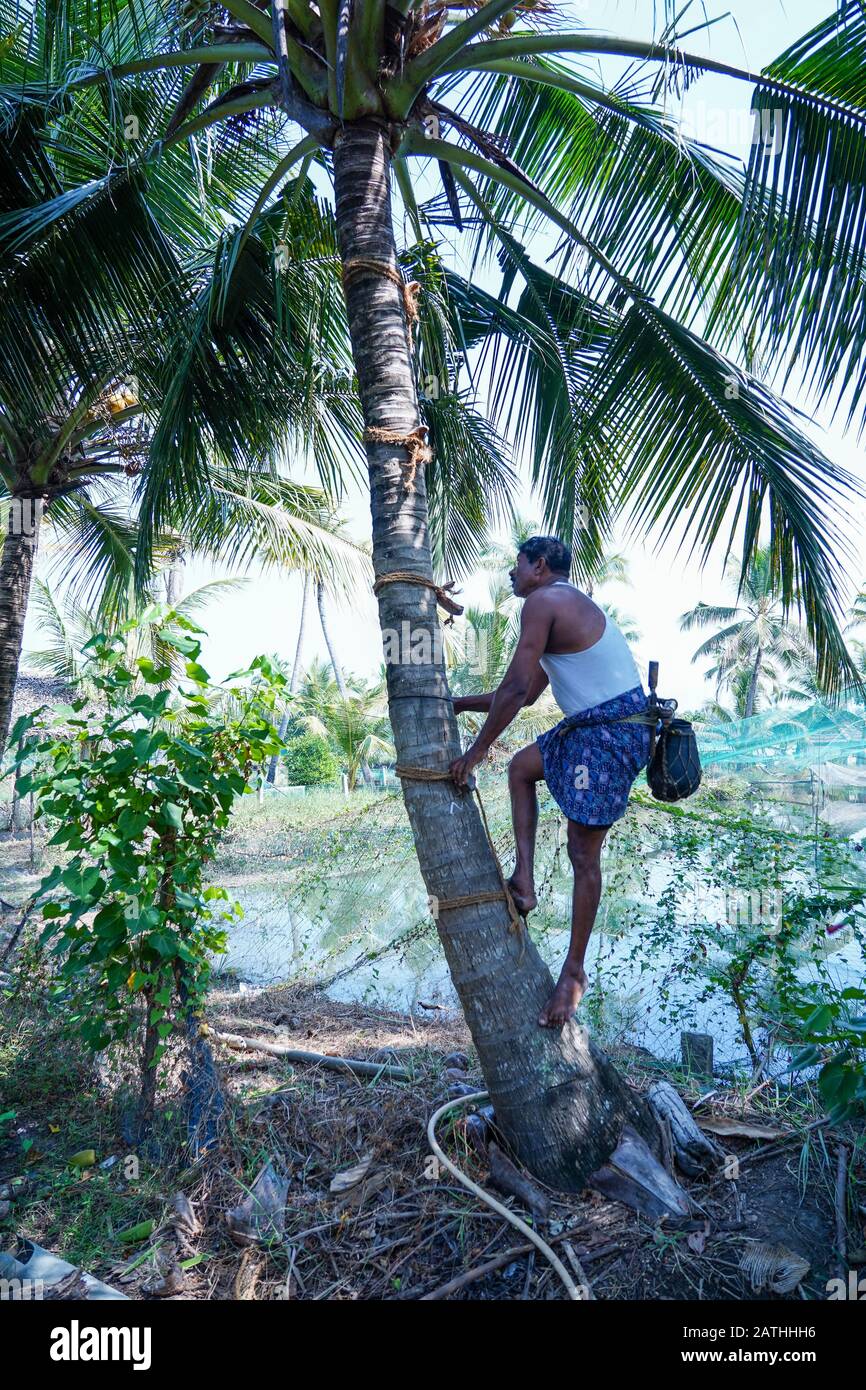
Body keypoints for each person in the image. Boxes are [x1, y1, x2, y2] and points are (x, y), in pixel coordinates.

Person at [450, 535, 651, 1028]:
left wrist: (476, 752)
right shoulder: (561, 606)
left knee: (583, 854)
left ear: (539, 566)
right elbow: (521, 691)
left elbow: (518, 690)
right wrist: (456, 705)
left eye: (516, 567)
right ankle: (524, 879)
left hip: (610, 732)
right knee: (521, 768)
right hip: (590, 727)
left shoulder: (543, 602)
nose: (511, 576)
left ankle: (574, 973)